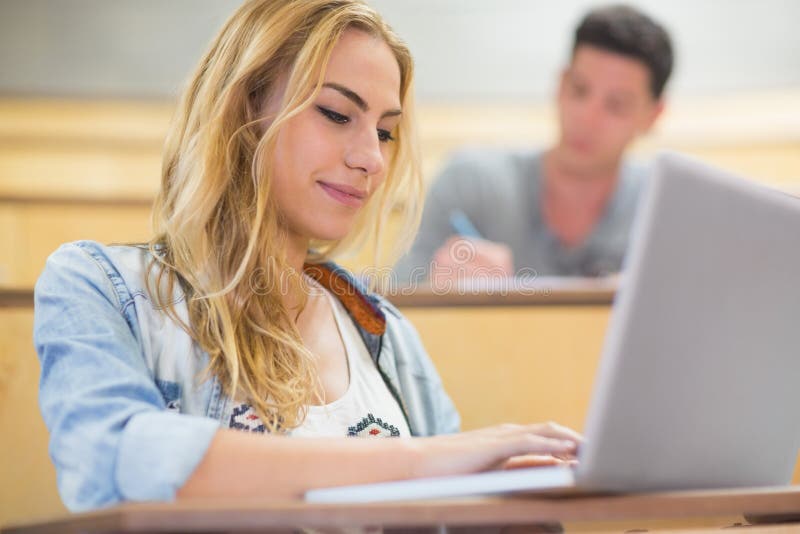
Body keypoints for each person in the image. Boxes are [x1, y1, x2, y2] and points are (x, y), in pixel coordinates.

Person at [33, 0, 580, 512]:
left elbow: (449, 505)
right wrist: (419, 462)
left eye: (386, 132)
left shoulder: (385, 333)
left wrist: (507, 494)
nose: (372, 159)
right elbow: (115, 460)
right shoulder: (97, 285)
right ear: (244, 109)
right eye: (338, 114)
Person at [393, 4, 674, 283]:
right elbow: (389, 307)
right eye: (579, 90)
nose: (587, 118)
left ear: (653, 116)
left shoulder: (665, 212)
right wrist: (433, 284)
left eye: (616, 106)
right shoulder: (470, 186)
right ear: (561, 83)